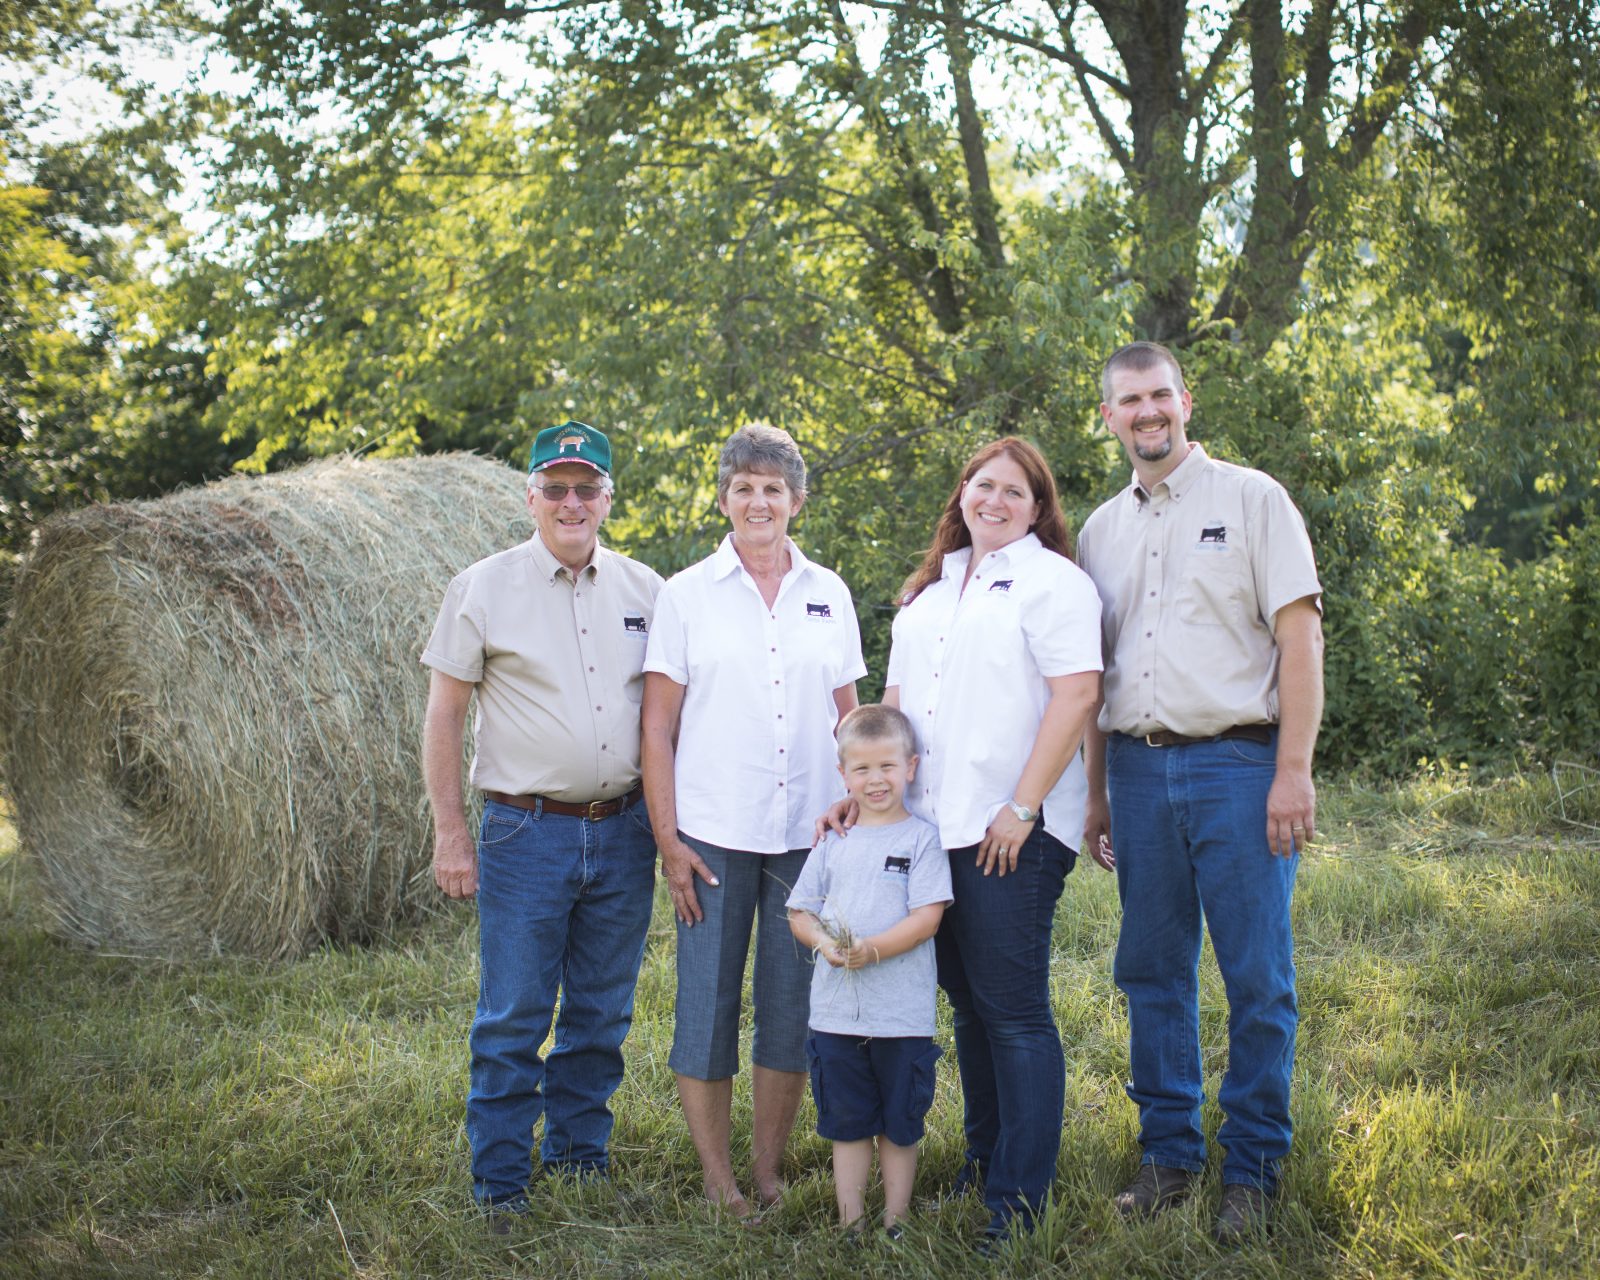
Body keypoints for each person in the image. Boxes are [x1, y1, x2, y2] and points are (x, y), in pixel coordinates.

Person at [825, 437, 1102, 1249]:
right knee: (970, 1008)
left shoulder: (1055, 584)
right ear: (963, 493)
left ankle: (1020, 1201)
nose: (996, 500)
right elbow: (895, 712)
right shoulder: (928, 595)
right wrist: (865, 797)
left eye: (1016, 491)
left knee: (1014, 1013)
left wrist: (1023, 806)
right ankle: (985, 1161)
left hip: (1009, 830)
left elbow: (1076, 694)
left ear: (1038, 507)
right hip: (932, 833)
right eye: (984, 484)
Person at [1078, 341, 1324, 1244]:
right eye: (1128, 401)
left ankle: (1254, 1167)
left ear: (1187, 400)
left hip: (1239, 766)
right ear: (1107, 416)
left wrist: (1292, 769)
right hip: (1137, 771)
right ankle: (1170, 1152)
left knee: (1256, 976)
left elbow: (1300, 642)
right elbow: (1093, 676)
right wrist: (1097, 795)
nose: (1147, 412)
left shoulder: (1254, 500)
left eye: (1159, 395)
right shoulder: (1100, 531)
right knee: (1151, 969)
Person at [421, 421, 663, 1223]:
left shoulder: (646, 590)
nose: (570, 501)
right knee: (515, 1013)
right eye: (554, 487)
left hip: (625, 830)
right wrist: (451, 835)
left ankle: (578, 1156)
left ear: (606, 499)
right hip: (525, 832)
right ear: (529, 496)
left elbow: (670, 718)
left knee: (601, 1012)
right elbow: (444, 719)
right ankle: (499, 1182)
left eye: (585, 487)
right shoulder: (482, 587)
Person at [641, 423, 866, 1219]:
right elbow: (657, 729)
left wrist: (865, 810)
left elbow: (853, 723)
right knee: (706, 1006)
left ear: (796, 501)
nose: (759, 501)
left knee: (789, 1003)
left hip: (807, 841)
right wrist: (668, 839)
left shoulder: (827, 593)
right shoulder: (685, 594)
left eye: (774, 489)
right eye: (744, 487)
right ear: (724, 498)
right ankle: (717, 1177)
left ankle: (767, 1169)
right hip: (710, 836)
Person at [787, 704, 951, 1241]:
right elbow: (800, 911)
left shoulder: (922, 840)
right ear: (843, 775)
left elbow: (927, 918)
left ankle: (896, 1219)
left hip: (901, 1015)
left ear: (911, 766)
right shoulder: (835, 839)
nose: (875, 780)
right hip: (835, 1013)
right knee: (848, 1120)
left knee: (901, 1123)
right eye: (861, 769)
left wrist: (873, 950)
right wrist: (825, 944)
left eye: (887, 766)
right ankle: (850, 1221)